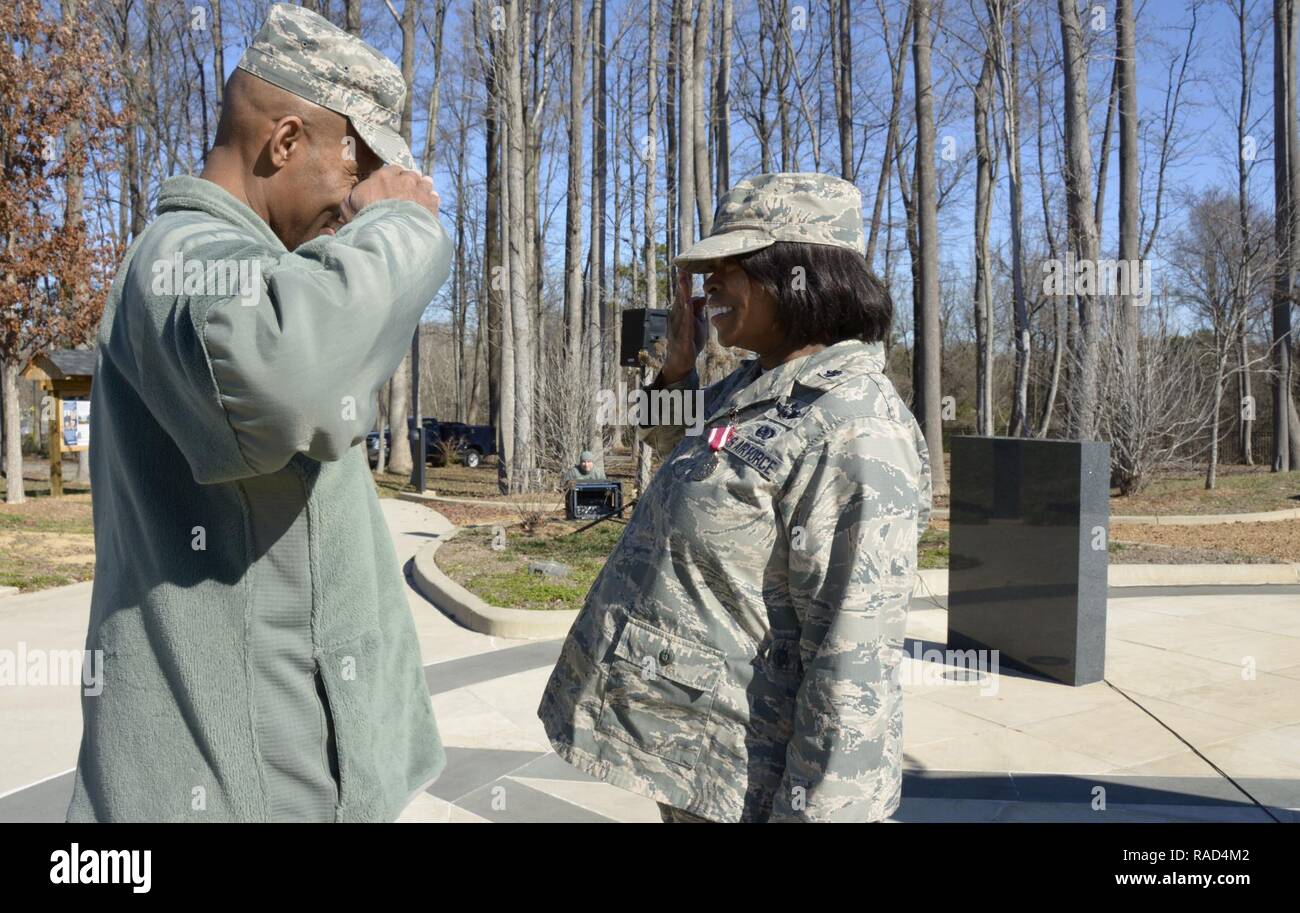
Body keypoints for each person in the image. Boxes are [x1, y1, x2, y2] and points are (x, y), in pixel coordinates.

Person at [68, 4, 450, 822]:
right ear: (284, 144)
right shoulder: (182, 262)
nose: (350, 209)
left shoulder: (245, 268)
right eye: (352, 178)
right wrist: (403, 231)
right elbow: (287, 372)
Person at [538, 172, 932, 822]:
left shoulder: (854, 425)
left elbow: (853, 667)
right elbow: (681, 458)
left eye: (731, 265)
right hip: (696, 762)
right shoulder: (757, 383)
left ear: (804, 274)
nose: (708, 284)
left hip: (755, 787)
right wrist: (678, 369)